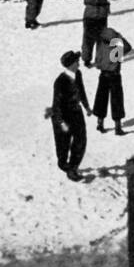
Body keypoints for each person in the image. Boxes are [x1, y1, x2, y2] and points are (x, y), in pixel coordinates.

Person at [51, 52, 91, 180]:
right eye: (76, 61)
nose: (79, 63)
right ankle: (63, 163)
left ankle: (73, 168)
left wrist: (86, 107)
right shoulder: (60, 82)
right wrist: (61, 123)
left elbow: (81, 91)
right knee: (63, 143)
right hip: (62, 116)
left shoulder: (78, 74)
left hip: (76, 112)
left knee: (80, 140)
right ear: (71, 64)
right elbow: (56, 104)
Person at [92, 26, 132, 135]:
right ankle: (117, 127)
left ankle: (100, 123)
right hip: (115, 74)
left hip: (103, 74)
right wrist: (117, 55)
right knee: (117, 100)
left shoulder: (100, 40)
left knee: (101, 98)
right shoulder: (117, 40)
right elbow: (128, 47)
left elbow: (97, 57)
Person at [82, 0, 112, 66]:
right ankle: (100, 58)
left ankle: (86, 58)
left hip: (89, 13)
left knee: (87, 38)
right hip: (101, 14)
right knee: (101, 38)